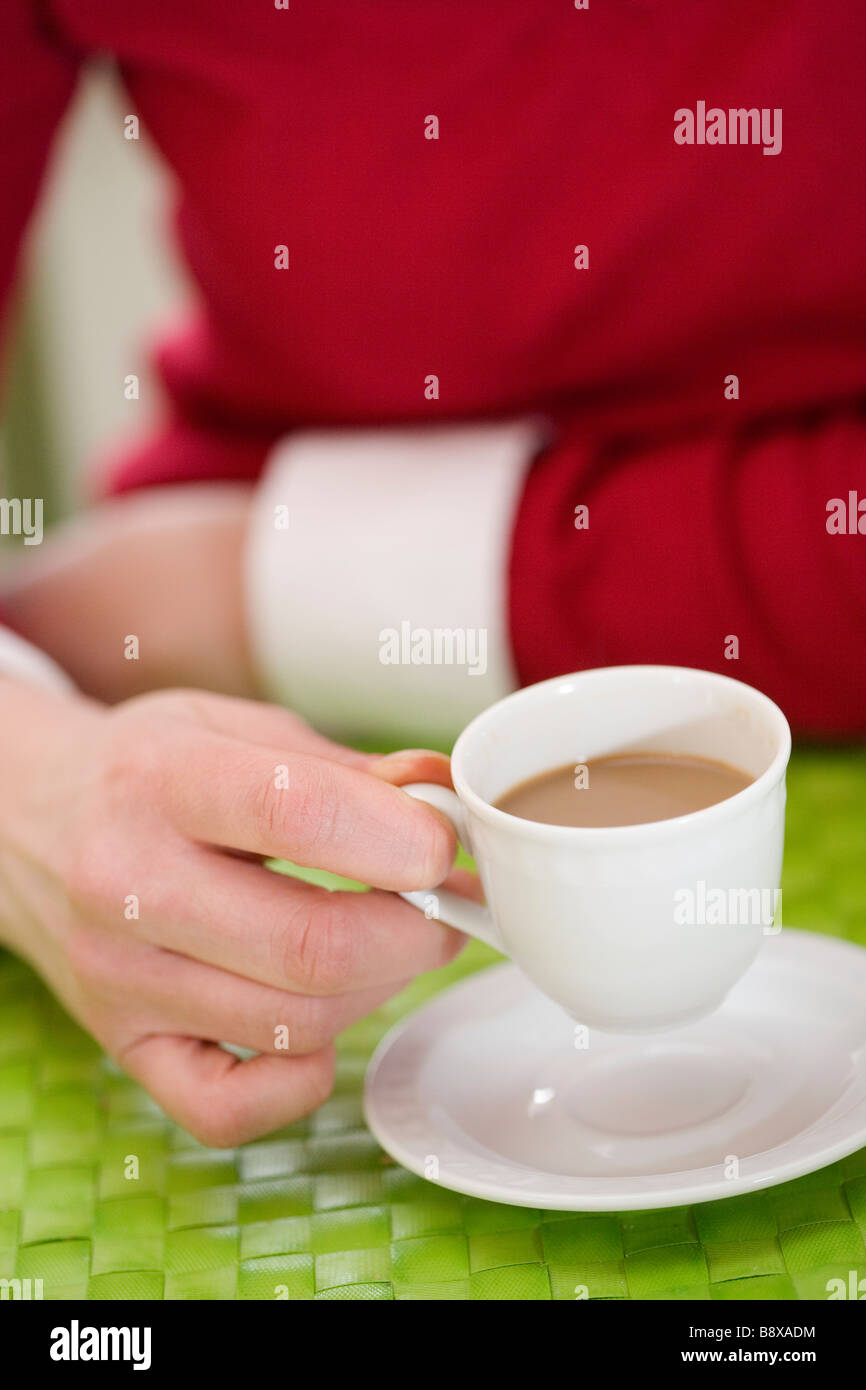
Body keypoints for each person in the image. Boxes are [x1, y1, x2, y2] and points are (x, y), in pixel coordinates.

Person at [0, 2, 863, 1143]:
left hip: (194, 582)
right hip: (191, 734)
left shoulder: (217, 576)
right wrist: (36, 782)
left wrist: (256, 579)